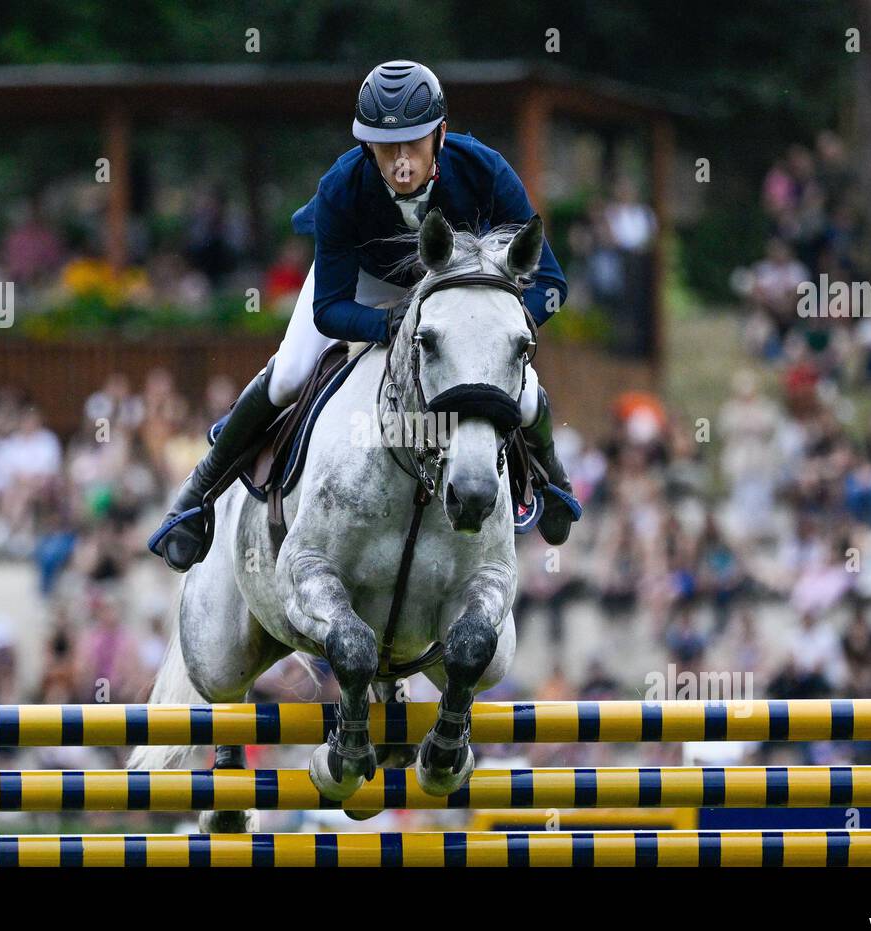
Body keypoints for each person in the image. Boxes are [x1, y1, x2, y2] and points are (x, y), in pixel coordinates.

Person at [150, 60, 575, 572]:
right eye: (385, 147)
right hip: (367, 287)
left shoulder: (485, 169)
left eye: (412, 144)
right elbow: (330, 309)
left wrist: (493, 330)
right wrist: (390, 326)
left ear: (440, 135)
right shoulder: (342, 186)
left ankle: (552, 482)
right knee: (287, 375)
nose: (400, 161)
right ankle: (197, 494)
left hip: (462, 296)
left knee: (523, 393)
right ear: (365, 146)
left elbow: (550, 286)